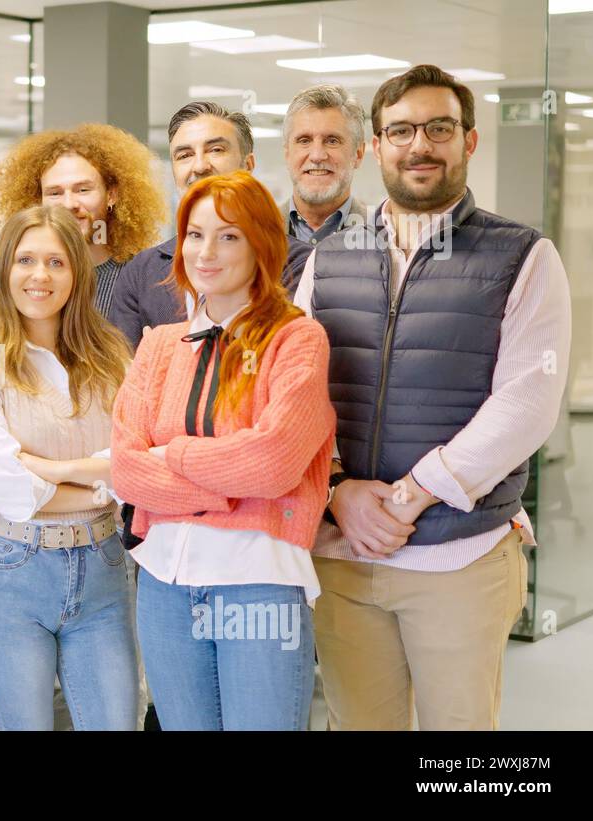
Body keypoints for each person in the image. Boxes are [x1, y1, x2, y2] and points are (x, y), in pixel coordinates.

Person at [292, 65, 572, 730]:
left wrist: (409, 492)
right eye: (401, 130)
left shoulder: (522, 255)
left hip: (460, 554)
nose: (420, 144)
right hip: (347, 556)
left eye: (438, 127)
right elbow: (295, 392)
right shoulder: (330, 257)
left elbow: (527, 403)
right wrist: (335, 489)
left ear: (469, 141)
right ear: (377, 146)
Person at [110, 171, 336, 730]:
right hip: (163, 582)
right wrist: (230, 480)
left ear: (262, 243)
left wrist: (175, 456)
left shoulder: (295, 338)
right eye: (194, 234)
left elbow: (274, 461)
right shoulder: (160, 344)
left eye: (229, 236)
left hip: (257, 584)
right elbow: (126, 470)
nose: (206, 252)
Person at [0, 205, 137, 730]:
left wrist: (45, 469)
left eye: (56, 262)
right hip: (13, 569)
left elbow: (131, 464)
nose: (40, 276)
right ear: (4, 270)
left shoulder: (111, 359)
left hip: (102, 568)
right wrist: (97, 485)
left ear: (76, 274)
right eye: (25, 260)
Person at [110, 102, 313, 350]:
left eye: (215, 150)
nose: (199, 166)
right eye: (184, 155)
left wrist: (164, 352)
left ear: (247, 166)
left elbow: (275, 355)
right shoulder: (141, 272)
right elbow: (128, 376)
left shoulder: (296, 263)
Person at [0, 123, 167, 321]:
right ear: (38, 200)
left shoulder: (142, 279)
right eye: (55, 193)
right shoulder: (20, 279)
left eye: (83, 190)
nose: (69, 204)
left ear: (111, 195)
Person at [282, 84, 371, 245]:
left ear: (358, 154)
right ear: (287, 153)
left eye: (332, 141)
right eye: (304, 141)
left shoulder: (388, 238)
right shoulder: (252, 232)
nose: (317, 156)